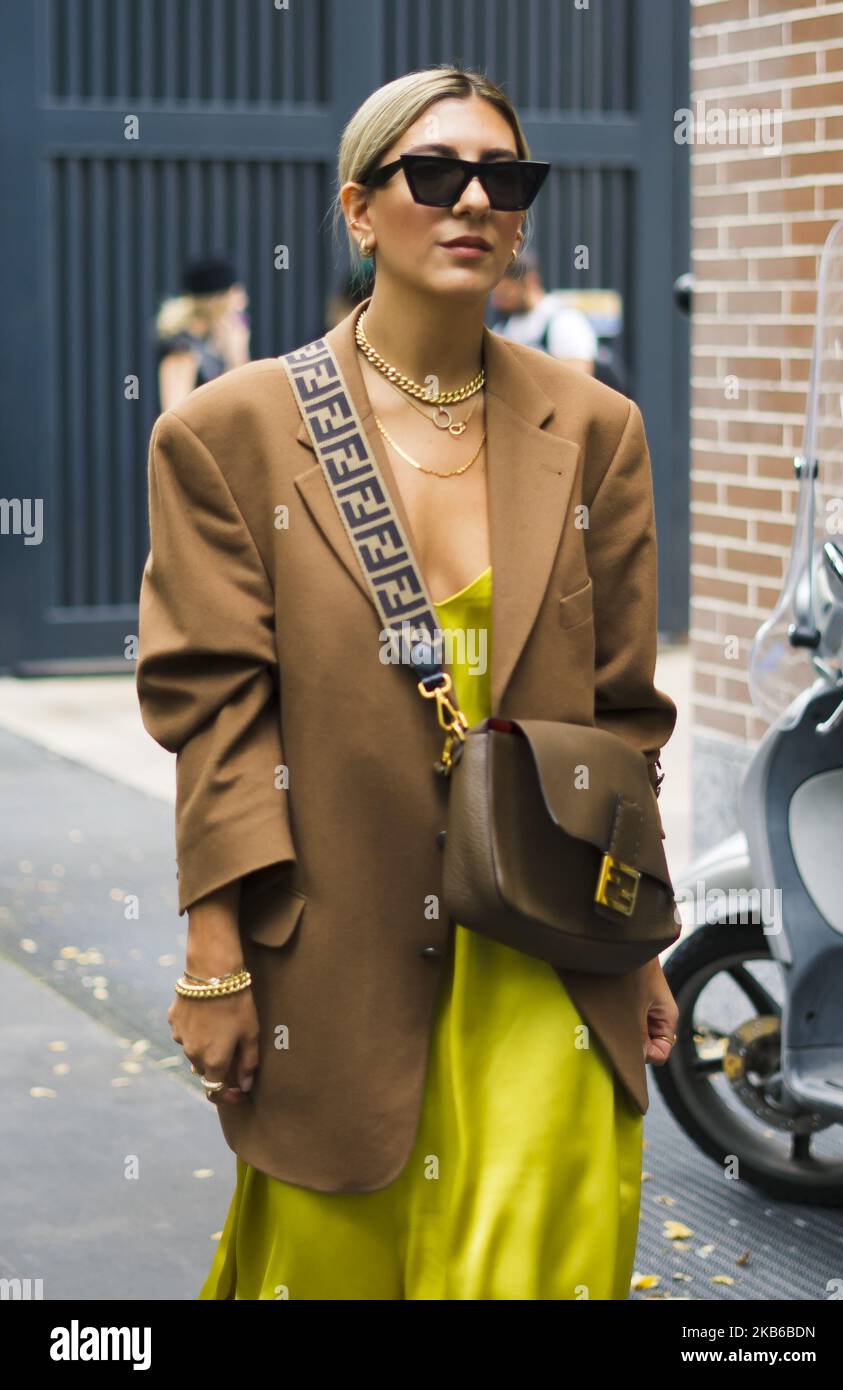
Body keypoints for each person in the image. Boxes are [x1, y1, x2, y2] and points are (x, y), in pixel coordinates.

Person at [135, 64, 678, 1301]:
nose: (472, 200)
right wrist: (215, 959)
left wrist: (640, 939)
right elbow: (219, 721)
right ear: (358, 208)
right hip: (331, 957)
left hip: (547, 951)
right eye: (434, 173)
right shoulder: (232, 433)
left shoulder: (596, 429)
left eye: (505, 177)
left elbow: (622, 721)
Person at [154, 256, 250, 411]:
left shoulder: (216, 343)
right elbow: (174, 417)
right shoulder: (182, 349)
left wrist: (236, 353)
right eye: (236, 294)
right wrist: (236, 356)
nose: (243, 302)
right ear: (216, 301)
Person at [489, 248, 597, 373]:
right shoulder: (505, 327)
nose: (497, 301)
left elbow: (580, 381)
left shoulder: (565, 322)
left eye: (505, 291)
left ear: (531, 282)